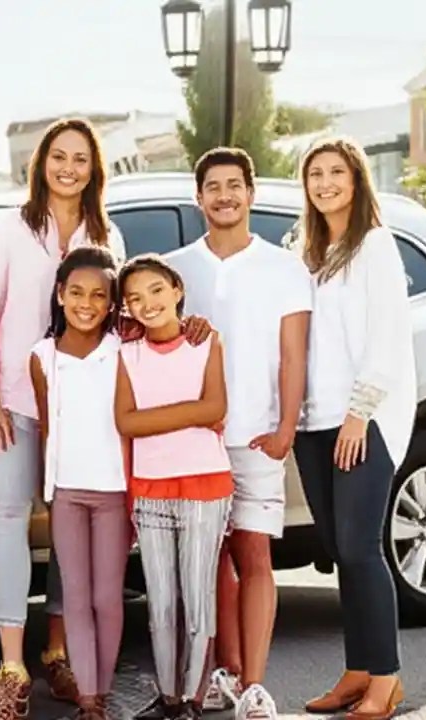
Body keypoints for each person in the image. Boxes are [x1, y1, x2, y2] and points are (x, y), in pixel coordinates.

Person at [0, 117, 126, 720]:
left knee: (67, 529)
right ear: (42, 162)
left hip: (84, 411)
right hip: (14, 403)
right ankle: (12, 668)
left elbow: (122, 316)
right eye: (60, 156)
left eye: (81, 158)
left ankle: (59, 652)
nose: (69, 168)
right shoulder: (10, 229)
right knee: (7, 519)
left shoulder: (107, 234)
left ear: (94, 168)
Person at [166, 147, 312, 720]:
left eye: (234, 185)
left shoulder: (284, 268)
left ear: (251, 194)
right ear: (198, 197)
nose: (224, 196)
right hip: (194, 438)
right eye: (213, 187)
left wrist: (285, 430)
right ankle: (223, 673)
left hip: (256, 436)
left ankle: (254, 685)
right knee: (207, 563)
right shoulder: (177, 268)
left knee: (253, 554)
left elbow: (293, 356)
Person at [290, 137, 414, 720]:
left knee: (362, 547)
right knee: (340, 549)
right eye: (315, 173)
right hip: (314, 421)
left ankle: (386, 679)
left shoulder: (375, 246)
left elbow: (387, 336)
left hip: (364, 420)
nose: (325, 182)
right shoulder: (306, 252)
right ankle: (357, 670)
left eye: (336, 171)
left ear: (357, 179)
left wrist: (359, 412)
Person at [114, 254, 232, 720]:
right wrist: (191, 413)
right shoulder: (127, 354)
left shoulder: (207, 344)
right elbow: (125, 420)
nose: (148, 304)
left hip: (207, 486)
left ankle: (193, 699)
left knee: (198, 596)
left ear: (178, 290)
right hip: (150, 490)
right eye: (135, 299)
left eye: (157, 291)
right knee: (160, 601)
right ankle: (167, 696)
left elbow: (215, 408)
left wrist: (156, 421)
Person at [30, 246, 131, 720]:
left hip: (113, 492)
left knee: (107, 597)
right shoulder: (43, 357)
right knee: (74, 595)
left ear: (112, 303)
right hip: (66, 493)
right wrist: (47, 493)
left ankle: (103, 690)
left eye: (98, 295)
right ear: (60, 294)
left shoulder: (124, 350)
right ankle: (88, 701)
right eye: (76, 292)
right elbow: (48, 427)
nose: (86, 303)